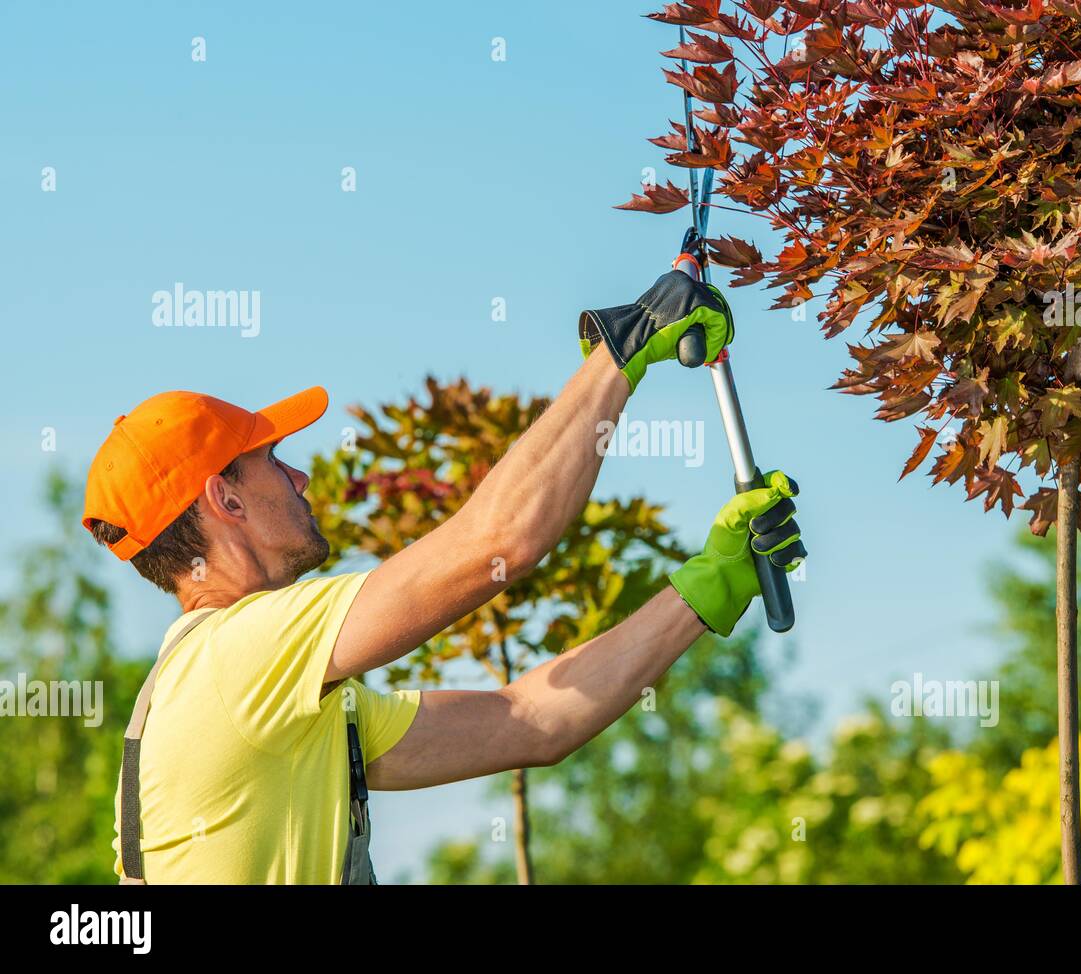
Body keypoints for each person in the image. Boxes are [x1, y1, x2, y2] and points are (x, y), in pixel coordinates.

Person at [84, 271, 806, 883]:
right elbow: (499, 541)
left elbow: (530, 721)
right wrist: (622, 354)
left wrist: (711, 583)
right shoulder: (239, 654)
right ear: (225, 498)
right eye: (274, 460)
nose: (300, 476)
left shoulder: (267, 694)